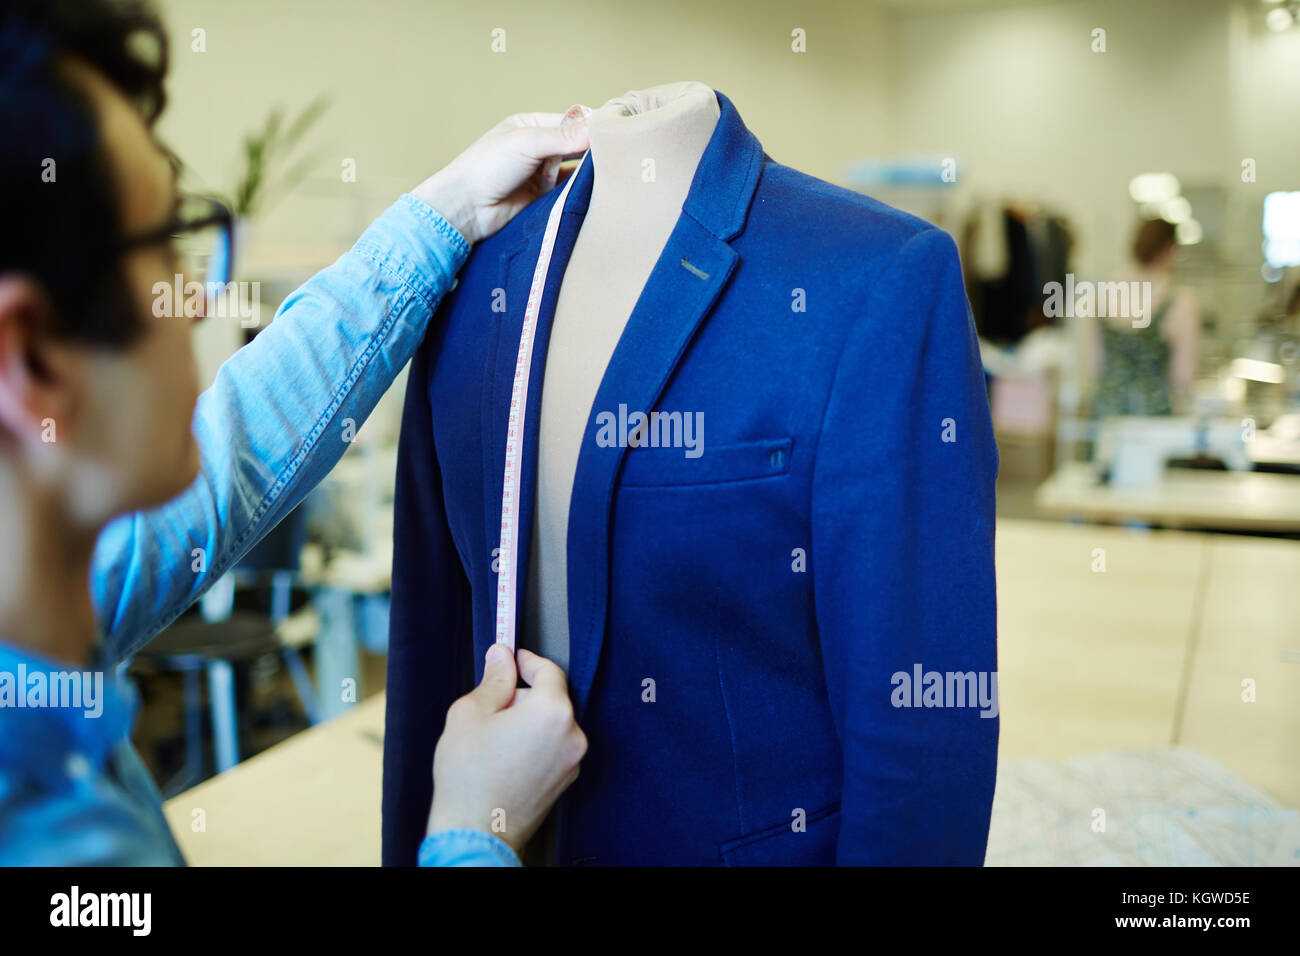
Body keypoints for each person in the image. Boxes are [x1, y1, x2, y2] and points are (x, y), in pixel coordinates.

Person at [0, 0, 587, 865]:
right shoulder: (54, 845)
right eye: (168, 247)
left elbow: (236, 450)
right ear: (30, 358)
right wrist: (474, 832)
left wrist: (449, 208)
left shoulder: (38, 605)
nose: (197, 301)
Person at [1090, 217, 1201, 417]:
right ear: (1171, 249)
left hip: (1106, 416)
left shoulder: (1105, 292)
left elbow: (1095, 365)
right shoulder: (1179, 301)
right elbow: (1183, 377)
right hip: (1153, 418)